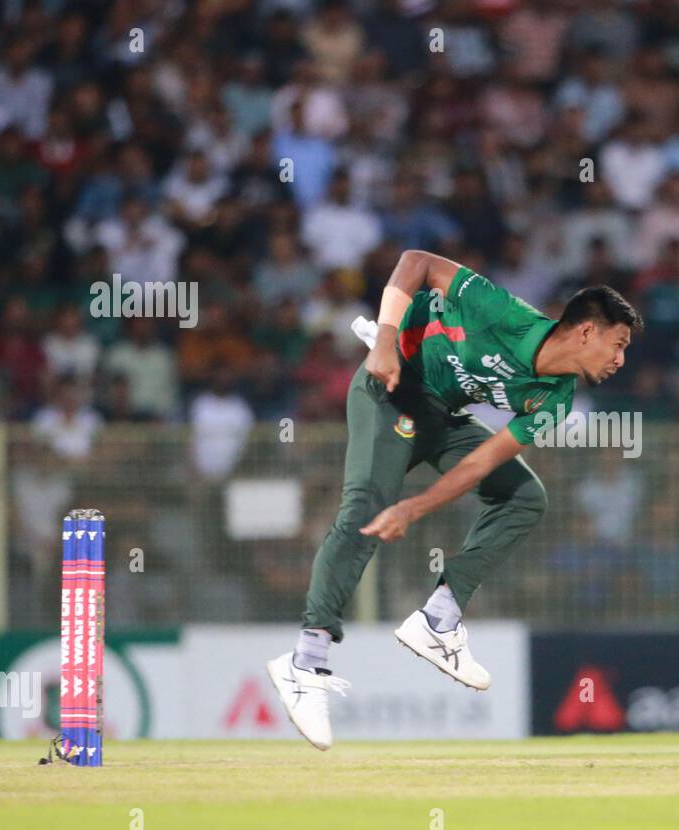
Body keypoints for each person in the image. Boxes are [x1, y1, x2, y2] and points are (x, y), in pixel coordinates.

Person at [269, 249, 641, 750]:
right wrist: (383, 342)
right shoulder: (504, 313)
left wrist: (415, 506)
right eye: (618, 344)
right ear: (585, 332)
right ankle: (305, 662)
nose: (620, 359)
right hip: (392, 389)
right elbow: (415, 261)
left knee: (525, 498)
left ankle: (437, 620)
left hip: (441, 416)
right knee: (364, 510)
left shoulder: (556, 398)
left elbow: (480, 464)